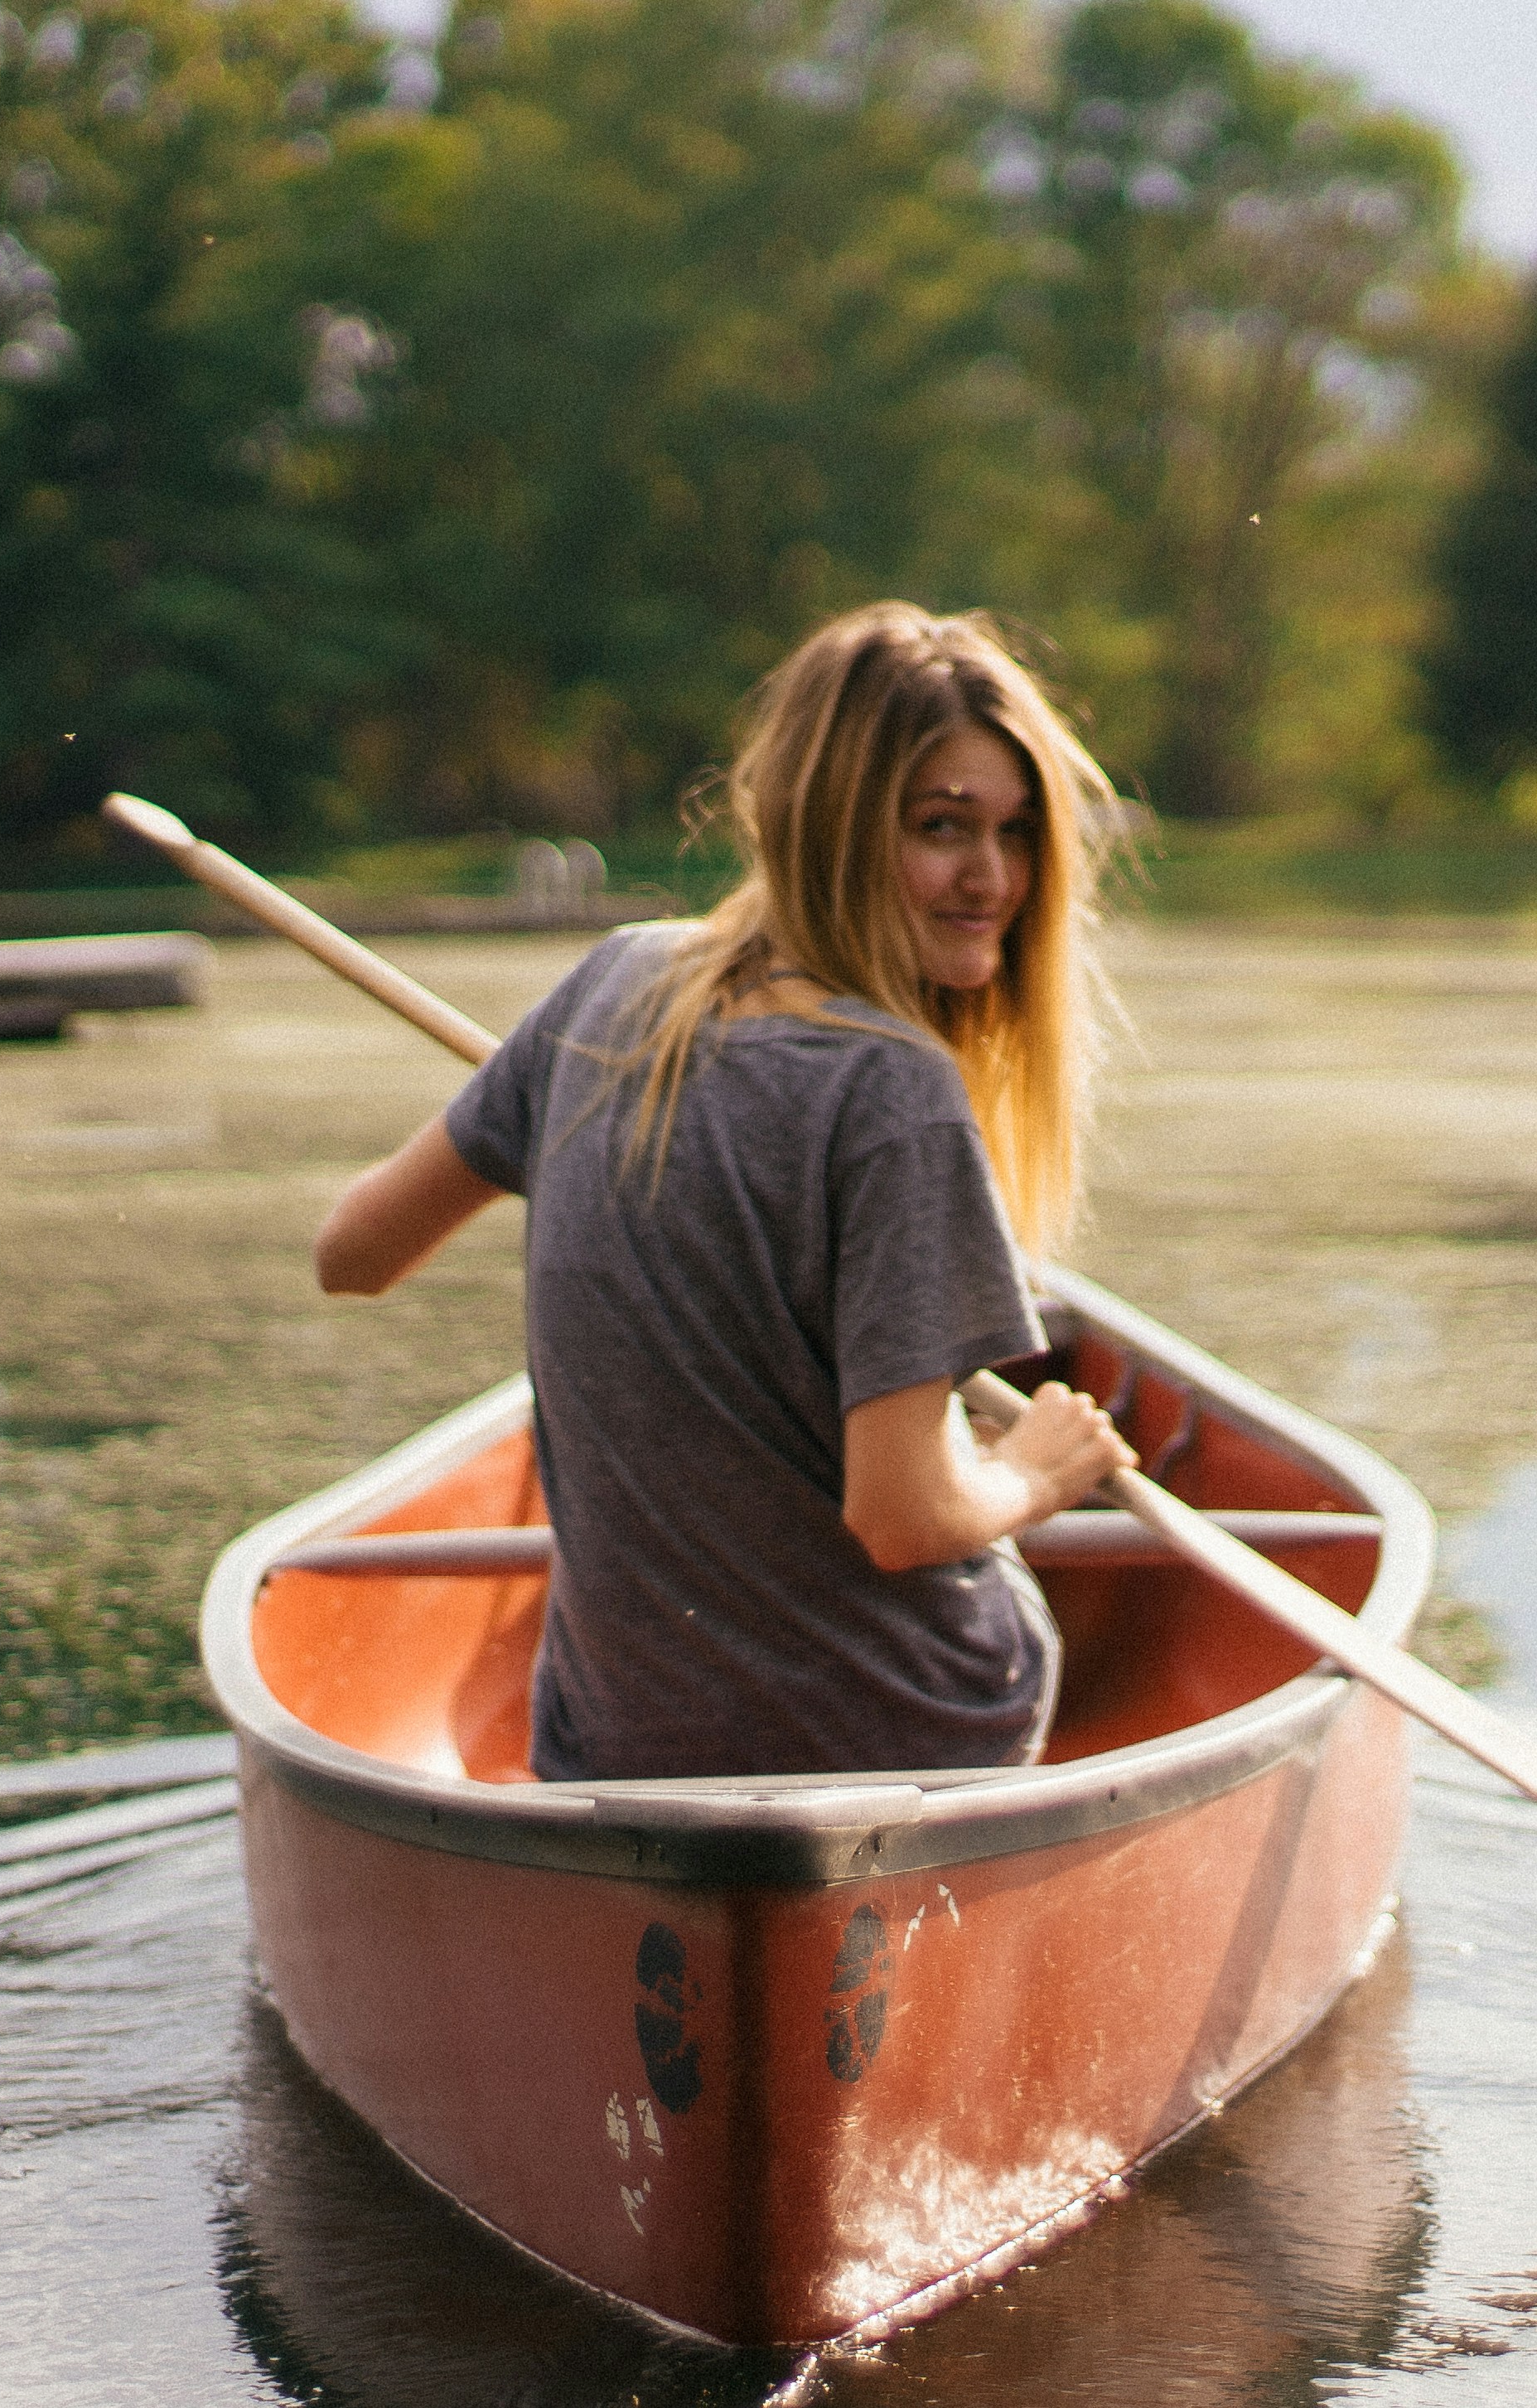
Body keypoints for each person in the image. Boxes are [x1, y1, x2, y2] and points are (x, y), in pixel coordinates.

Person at [311, 602, 1135, 1782]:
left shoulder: (616, 983)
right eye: (942, 827)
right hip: (900, 1736)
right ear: (833, 825)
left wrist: (551, 1117)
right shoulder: (896, 1089)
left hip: (619, 1753)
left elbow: (350, 1250)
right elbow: (902, 1517)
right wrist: (1034, 1472)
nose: (991, 876)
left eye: (1015, 833)